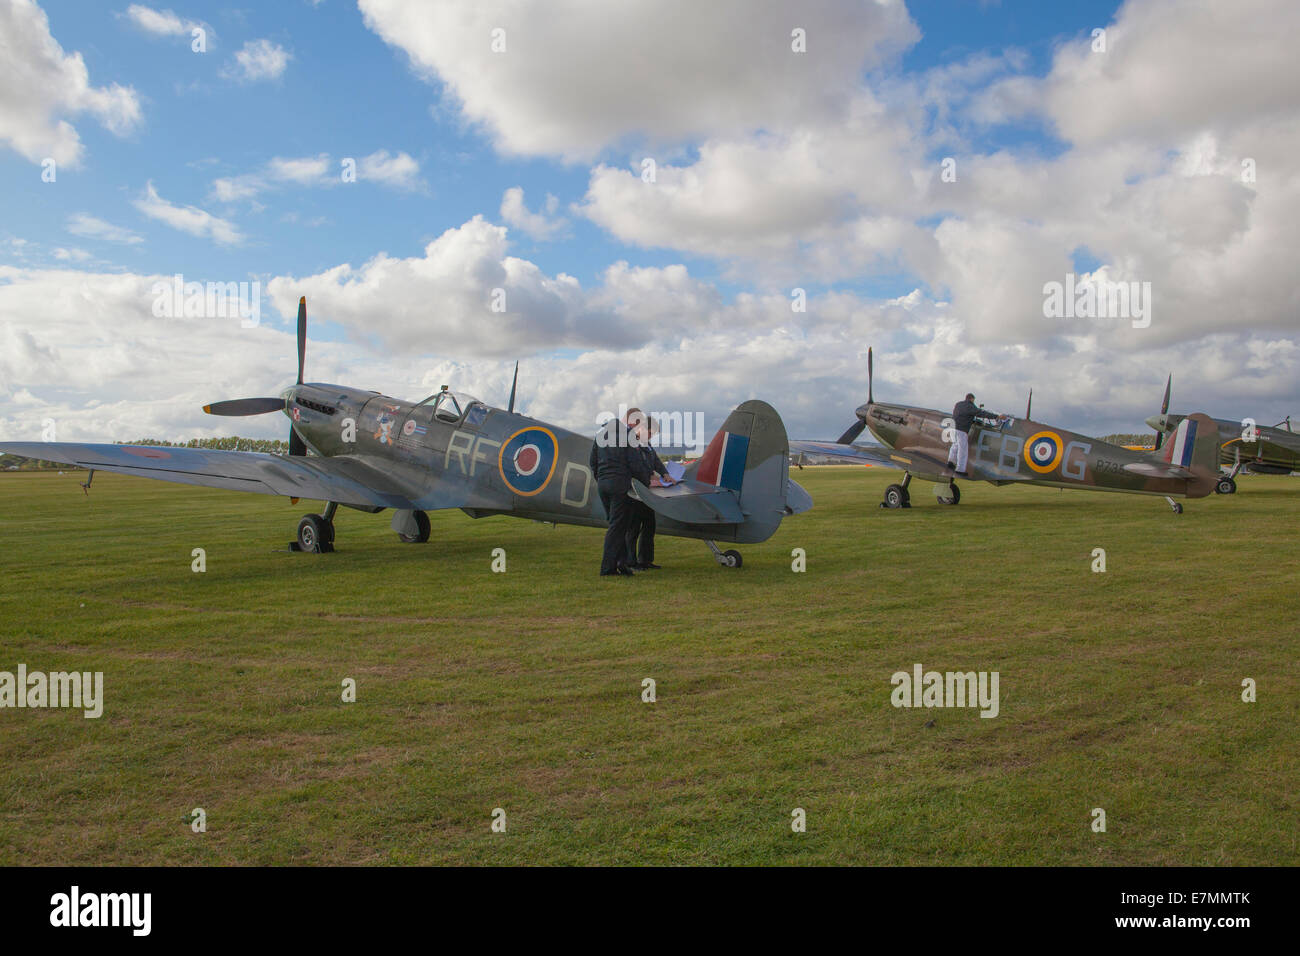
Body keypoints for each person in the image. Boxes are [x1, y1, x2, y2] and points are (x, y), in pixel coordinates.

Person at [590, 411, 637, 576]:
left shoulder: (600, 437)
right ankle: (607, 567)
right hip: (620, 485)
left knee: (617, 525)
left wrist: (602, 479)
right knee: (617, 527)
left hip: (603, 485)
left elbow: (593, 463)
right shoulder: (627, 437)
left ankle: (622, 563)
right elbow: (634, 462)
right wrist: (644, 481)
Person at [625, 412, 674, 570]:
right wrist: (649, 481)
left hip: (646, 492)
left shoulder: (647, 444)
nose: (651, 436)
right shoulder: (631, 443)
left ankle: (645, 560)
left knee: (649, 526)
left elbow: (655, 461)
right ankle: (631, 562)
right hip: (634, 492)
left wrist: (665, 474)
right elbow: (635, 467)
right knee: (633, 528)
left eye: (653, 434)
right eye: (650, 432)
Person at [948, 393, 1004, 477]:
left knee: (955, 445)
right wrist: (996, 416)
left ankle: (951, 462)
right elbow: (981, 413)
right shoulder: (970, 406)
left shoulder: (958, 404)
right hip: (962, 430)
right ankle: (960, 469)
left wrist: (970, 420)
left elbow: (961, 415)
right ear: (972, 399)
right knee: (963, 450)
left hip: (953, 428)